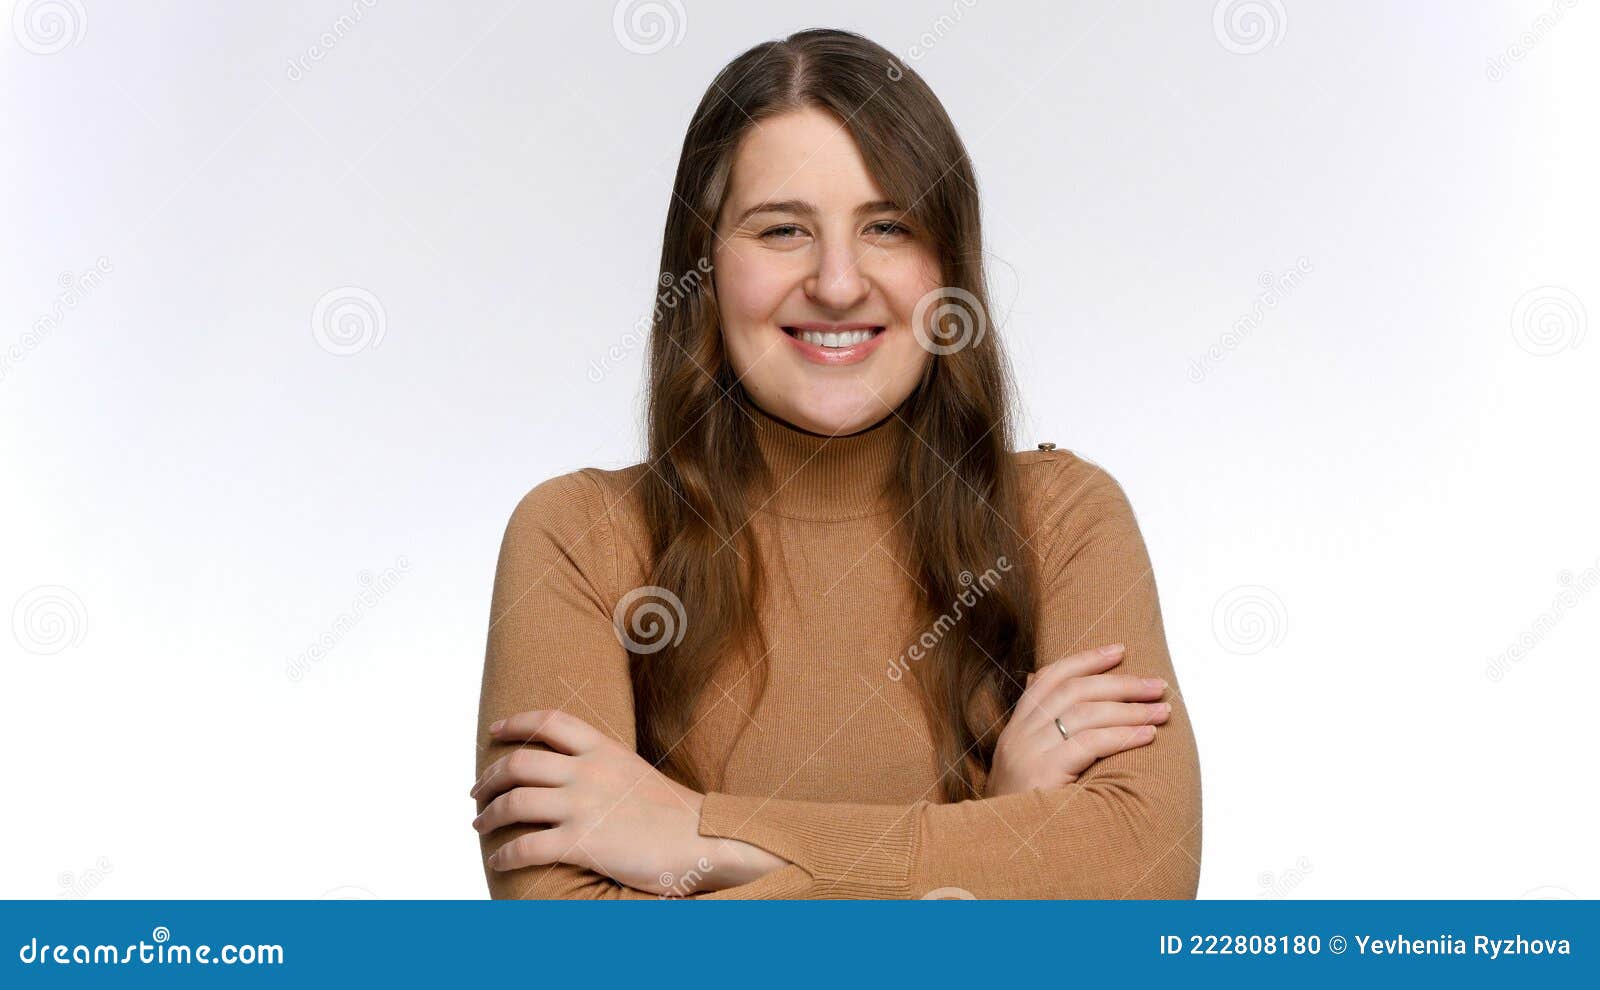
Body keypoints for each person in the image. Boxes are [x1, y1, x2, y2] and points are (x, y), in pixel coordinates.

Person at [470, 27, 1200, 899]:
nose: (840, 283)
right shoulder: (580, 537)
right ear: (702, 269)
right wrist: (999, 845)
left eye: (888, 226)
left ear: (946, 267)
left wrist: (701, 833)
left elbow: (1141, 875)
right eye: (782, 230)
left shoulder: (1064, 517)